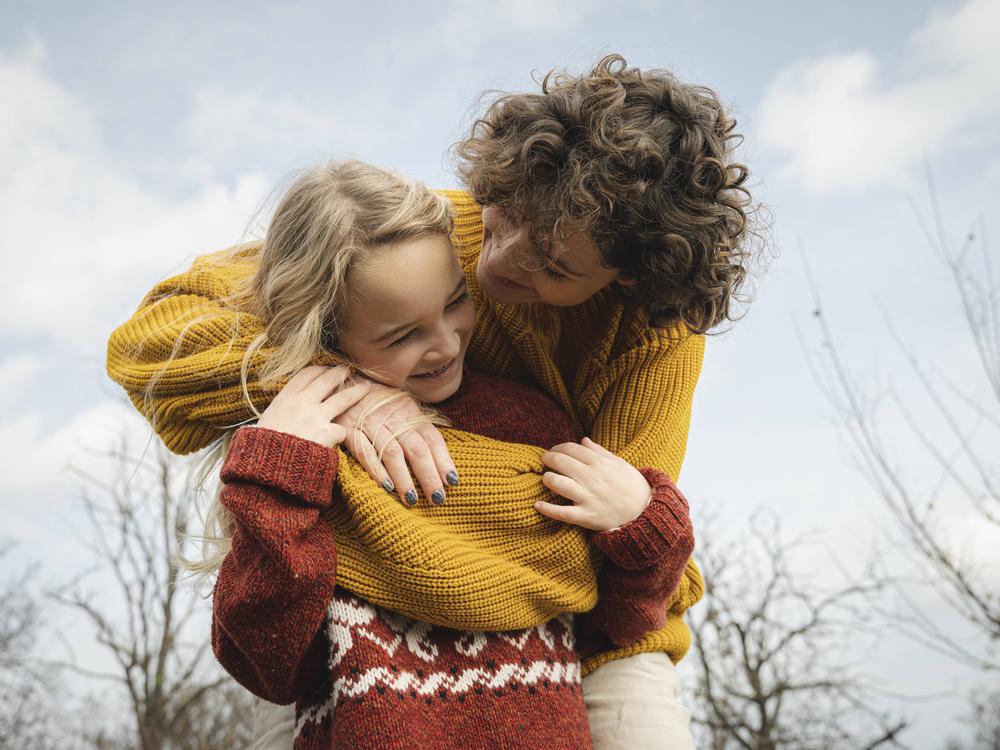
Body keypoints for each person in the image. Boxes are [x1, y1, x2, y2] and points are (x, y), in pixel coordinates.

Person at [107, 54, 757, 747]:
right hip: (345, 634)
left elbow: (580, 550)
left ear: (628, 279)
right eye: (505, 217)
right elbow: (147, 345)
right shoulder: (419, 235)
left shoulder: (656, 335)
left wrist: (348, 479)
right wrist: (342, 390)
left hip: (581, 652)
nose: (497, 262)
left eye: (555, 266)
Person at [194, 160, 694, 748]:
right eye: (401, 335)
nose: (444, 345)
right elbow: (266, 665)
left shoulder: (532, 423)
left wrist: (644, 523)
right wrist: (276, 479)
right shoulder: (299, 451)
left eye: (457, 302)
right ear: (322, 330)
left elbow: (619, 623)